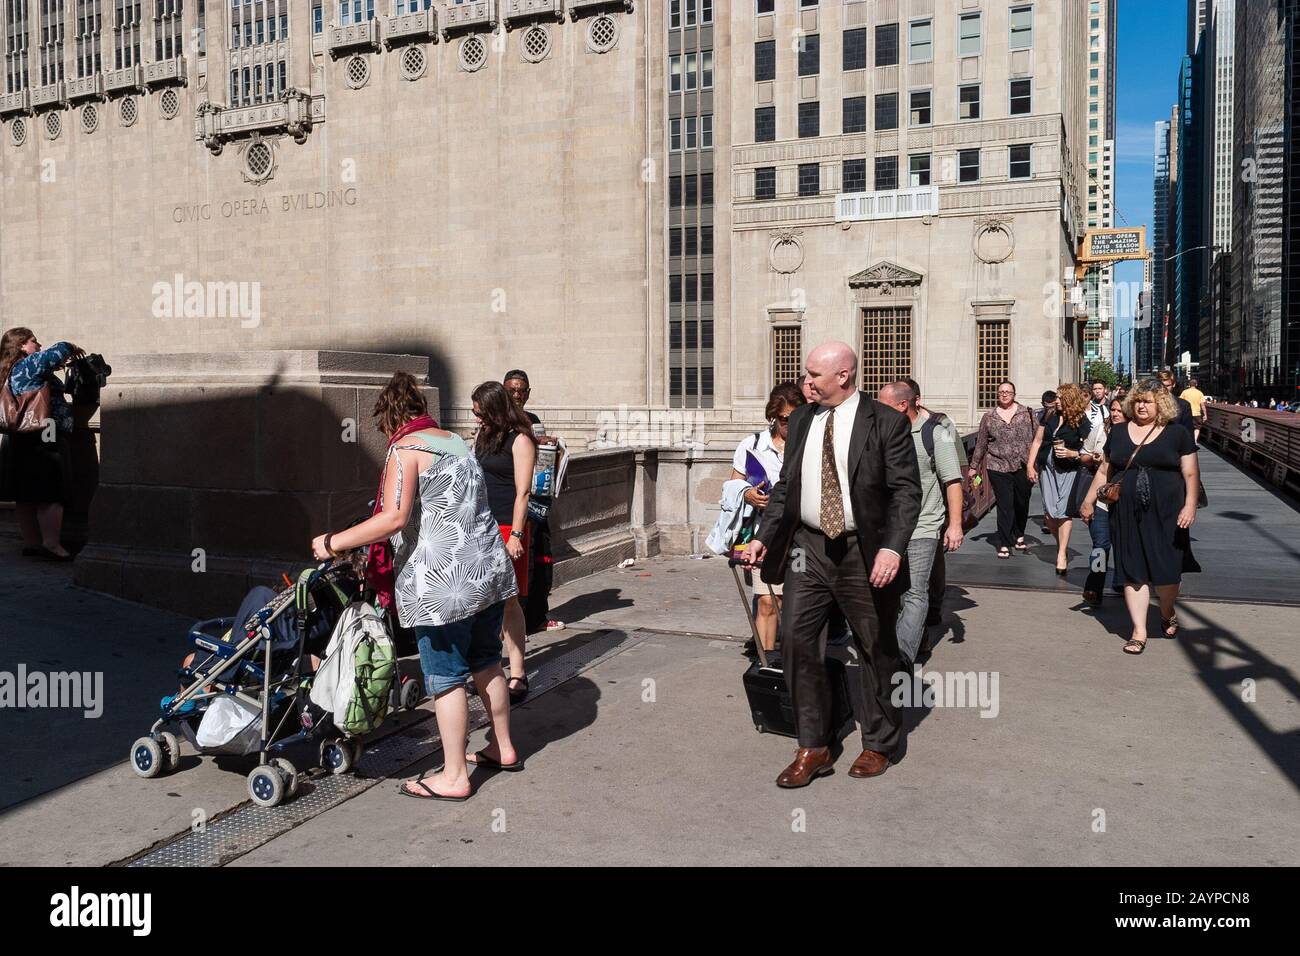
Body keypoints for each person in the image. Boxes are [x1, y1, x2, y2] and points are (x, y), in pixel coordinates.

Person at [309, 371, 520, 800]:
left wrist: (332, 543)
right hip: (488, 572)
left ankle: (455, 775)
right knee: (486, 662)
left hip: (443, 585)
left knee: (445, 677)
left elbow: (393, 519)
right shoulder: (457, 441)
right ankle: (503, 746)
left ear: (388, 418)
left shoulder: (406, 450)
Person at [743, 341, 921, 788]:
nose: (805, 383)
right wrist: (764, 538)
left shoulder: (886, 422)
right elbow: (786, 485)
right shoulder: (802, 419)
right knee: (797, 643)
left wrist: (892, 548)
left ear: (843, 376)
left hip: (865, 551)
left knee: (874, 647)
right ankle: (814, 745)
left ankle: (879, 742)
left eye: (813, 376)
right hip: (809, 548)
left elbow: (905, 491)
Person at [1080, 381, 1200, 655]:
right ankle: (1139, 631)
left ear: (1161, 404)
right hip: (1126, 511)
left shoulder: (1177, 433)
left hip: (1169, 512)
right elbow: (1104, 471)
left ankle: (1167, 610)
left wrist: (1190, 505)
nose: (1141, 406)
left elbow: (1191, 474)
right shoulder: (1119, 432)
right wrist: (1088, 500)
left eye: (1147, 401)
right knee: (1132, 569)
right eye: (1137, 401)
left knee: (1168, 572)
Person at [878, 381, 963, 670]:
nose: (878, 412)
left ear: (903, 405)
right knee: (896, 593)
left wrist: (955, 525)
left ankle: (900, 660)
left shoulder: (935, 434)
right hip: (889, 530)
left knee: (915, 592)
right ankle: (920, 638)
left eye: (884, 406)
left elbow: (952, 481)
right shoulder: (882, 434)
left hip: (923, 527)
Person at [473, 381, 539, 704]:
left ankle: (517, 673)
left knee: (509, 600)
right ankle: (490, 669)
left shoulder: (521, 440)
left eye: (480, 412)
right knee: (484, 601)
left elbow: (523, 493)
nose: (476, 419)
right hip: (482, 527)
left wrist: (515, 534)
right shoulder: (483, 437)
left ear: (495, 410)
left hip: (507, 528)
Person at [729, 381, 804, 658]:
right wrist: (748, 494)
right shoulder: (752, 445)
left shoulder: (809, 445)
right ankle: (767, 664)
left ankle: (791, 662)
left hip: (800, 538)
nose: (790, 425)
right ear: (774, 416)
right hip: (763, 536)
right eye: (785, 419)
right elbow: (732, 486)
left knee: (788, 603)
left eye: (796, 419)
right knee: (766, 603)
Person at [0, 328, 85, 560]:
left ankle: (32, 543)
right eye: (33, 342)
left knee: (25, 494)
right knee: (51, 492)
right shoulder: (28, 364)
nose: (38, 345)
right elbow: (58, 349)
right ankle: (52, 544)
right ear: (21, 346)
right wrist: (72, 347)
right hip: (43, 437)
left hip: (19, 438)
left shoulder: (10, 370)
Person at [503, 369, 565, 635]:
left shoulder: (534, 419)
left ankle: (537, 616)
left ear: (528, 392)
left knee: (541, 559)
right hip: (516, 500)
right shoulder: (500, 419)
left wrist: (554, 450)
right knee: (520, 564)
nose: (518, 395)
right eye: (512, 390)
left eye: (522, 390)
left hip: (539, 499)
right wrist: (533, 441)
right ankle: (518, 622)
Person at [1027, 383, 1092, 576]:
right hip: (1047, 469)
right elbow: (1038, 441)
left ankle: (1062, 553)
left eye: (1061, 398)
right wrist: (1031, 465)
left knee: (1064, 512)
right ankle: (1059, 543)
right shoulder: (1049, 416)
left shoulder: (1081, 421)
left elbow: (1090, 449)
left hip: (1069, 470)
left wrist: (1072, 452)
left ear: (1070, 399)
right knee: (1049, 516)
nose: (1057, 401)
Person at [971, 380, 1035, 559]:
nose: (1004, 394)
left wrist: (1035, 463)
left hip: (1023, 465)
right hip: (997, 465)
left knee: (1021, 502)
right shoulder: (989, 416)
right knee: (1005, 504)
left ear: (1014, 394)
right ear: (997, 395)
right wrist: (973, 466)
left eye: (1008, 391)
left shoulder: (1026, 413)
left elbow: (1038, 438)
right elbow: (981, 443)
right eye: (1001, 392)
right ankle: (1005, 542)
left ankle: (1019, 532)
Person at [1080, 397, 1125, 606]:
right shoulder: (1102, 430)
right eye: (1113, 410)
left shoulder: (1140, 436)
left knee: (1123, 546)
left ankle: (1121, 580)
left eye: (1120, 411)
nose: (1115, 414)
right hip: (1102, 501)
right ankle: (1094, 586)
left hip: (1124, 502)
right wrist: (1088, 501)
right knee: (1101, 545)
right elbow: (1101, 469)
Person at [1180, 377, 1206, 442]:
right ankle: (1194, 440)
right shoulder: (1199, 393)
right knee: (1197, 428)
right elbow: (1202, 405)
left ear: (1189, 384)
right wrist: (1205, 415)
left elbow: (1180, 402)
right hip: (1197, 413)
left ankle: (1187, 440)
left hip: (1186, 413)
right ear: (1196, 384)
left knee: (1186, 427)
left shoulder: (1184, 392)